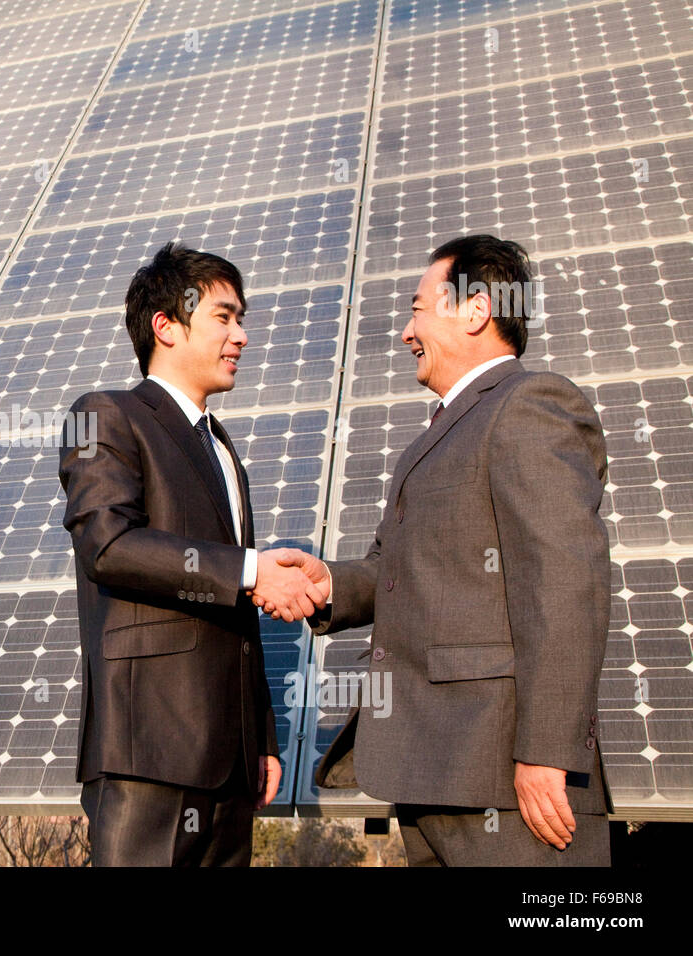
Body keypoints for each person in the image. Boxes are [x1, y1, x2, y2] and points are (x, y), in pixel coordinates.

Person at [261, 234, 612, 865]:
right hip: (432, 774)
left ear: (476, 310)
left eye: (418, 310)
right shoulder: (442, 433)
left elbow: (566, 582)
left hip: (508, 781)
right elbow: (399, 573)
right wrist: (329, 586)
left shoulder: (530, 406)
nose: (405, 333)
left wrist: (546, 752)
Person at [58, 241, 325, 866]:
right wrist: (255, 571)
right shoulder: (102, 415)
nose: (242, 336)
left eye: (242, 319)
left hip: (230, 764)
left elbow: (235, 617)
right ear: (166, 326)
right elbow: (110, 545)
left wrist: (259, 735)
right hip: (147, 753)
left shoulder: (224, 449)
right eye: (225, 317)